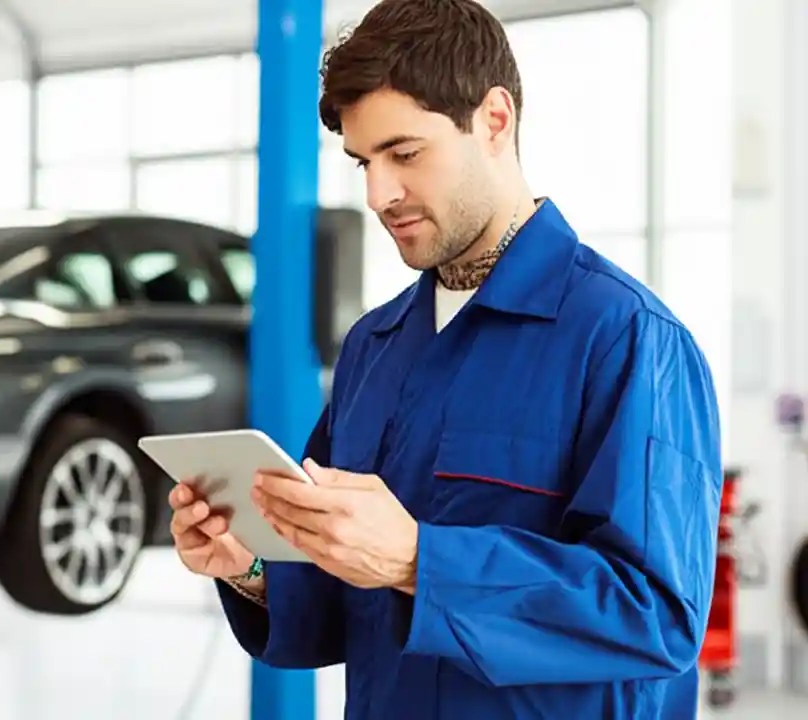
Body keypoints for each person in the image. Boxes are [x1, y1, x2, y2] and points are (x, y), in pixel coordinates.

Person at [167, 0, 723, 717]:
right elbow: (347, 598)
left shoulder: (627, 339)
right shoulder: (375, 347)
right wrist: (249, 567)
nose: (378, 194)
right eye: (363, 162)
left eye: (404, 154)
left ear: (494, 120)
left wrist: (419, 561)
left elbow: (656, 616)